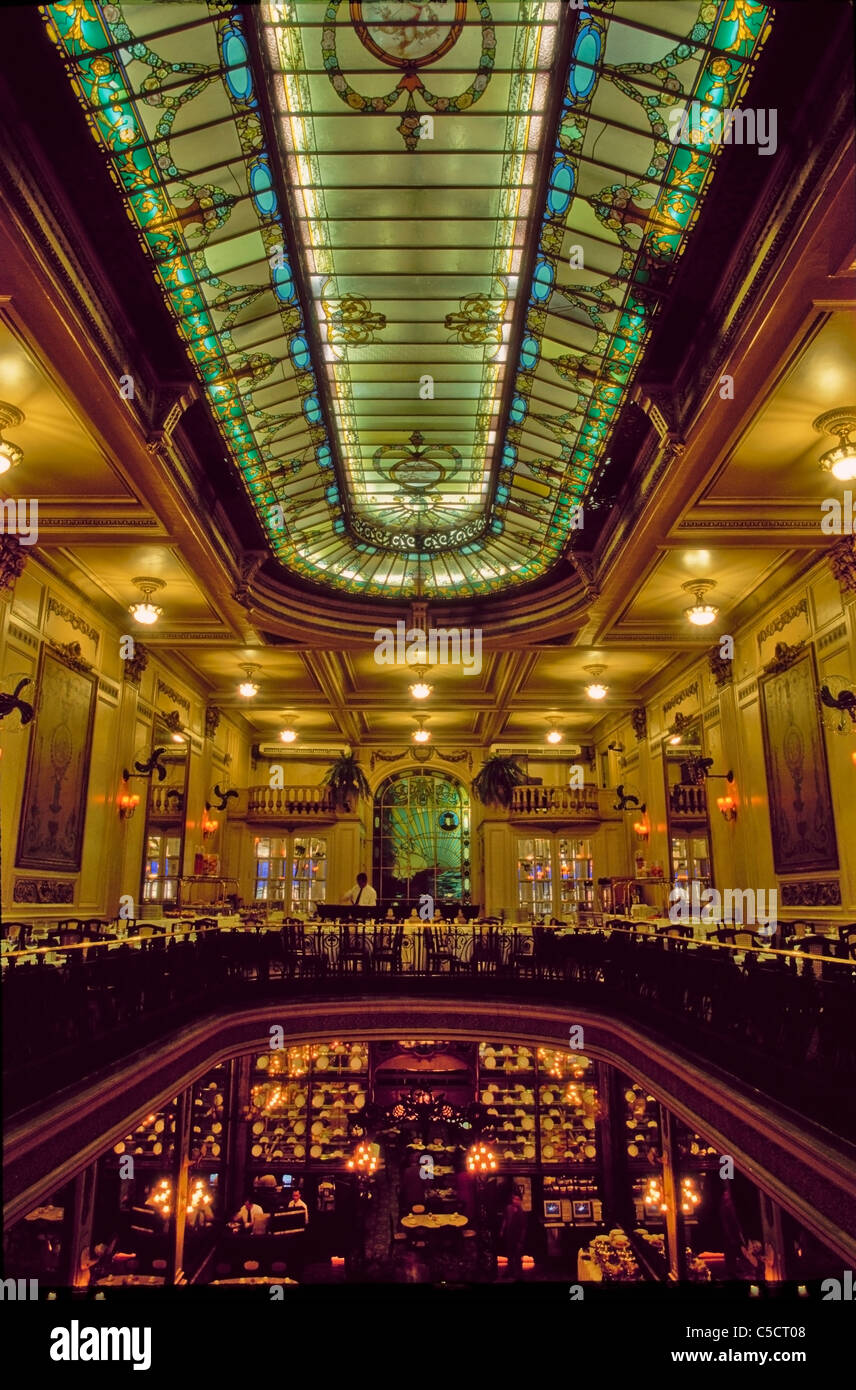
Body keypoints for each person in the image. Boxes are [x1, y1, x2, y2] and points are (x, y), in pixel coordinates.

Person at [500, 1187, 528, 1279]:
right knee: (509, 1255)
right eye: (514, 1199)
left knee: (518, 1256)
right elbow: (505, 1219)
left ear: (520, 1201)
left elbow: (524, 1228)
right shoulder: (508, 1208)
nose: (515, 1201)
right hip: (509, 1235)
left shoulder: (521, 1212)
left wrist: (521, 1240)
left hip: (517, 1237)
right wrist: (502, 1230)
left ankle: (519, 1275)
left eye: (517, 1199)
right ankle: (509, 1272)